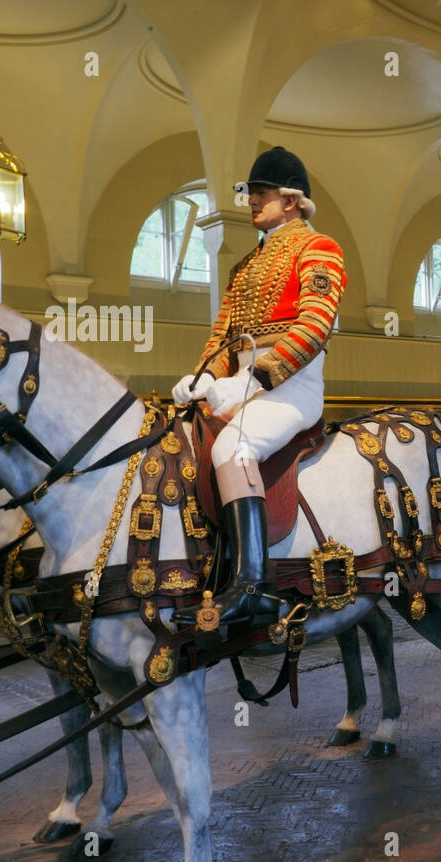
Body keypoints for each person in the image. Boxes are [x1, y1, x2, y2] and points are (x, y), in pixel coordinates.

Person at [171, 146, 346, 628]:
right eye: (250, 193)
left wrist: (254, 379)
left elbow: (314, 328)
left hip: (293, 387)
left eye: (260, 193)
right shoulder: (244, 266)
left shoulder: (319, 249)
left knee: (233, 446)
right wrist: (204, 376)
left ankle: (252, 585)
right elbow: (224, 336)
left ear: (290, 200)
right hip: (240, 384)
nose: (251, 201)